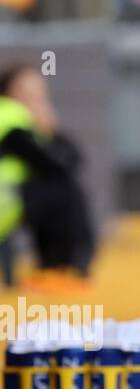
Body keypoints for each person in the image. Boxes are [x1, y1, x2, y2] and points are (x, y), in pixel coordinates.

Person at [0, 64, 96, 293]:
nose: (32, 100)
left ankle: (56, 267)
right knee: (64, 191)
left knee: (57, 188)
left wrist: (51, 133)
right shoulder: (9, 116)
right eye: (25, 92)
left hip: (11, 198)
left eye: (38, 93)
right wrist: (47, 132)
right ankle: (63, 267)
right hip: (7, 199)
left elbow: (72, 159)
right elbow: (55, 164)